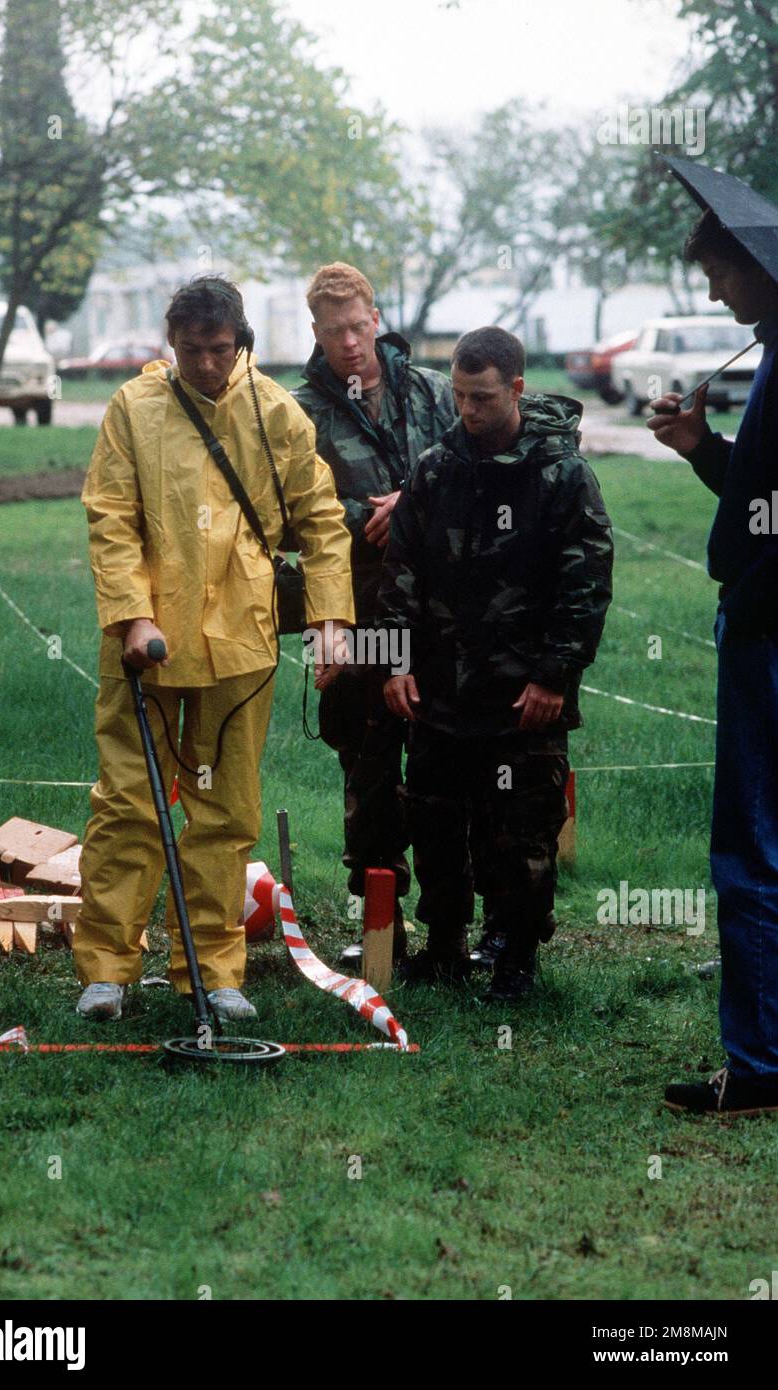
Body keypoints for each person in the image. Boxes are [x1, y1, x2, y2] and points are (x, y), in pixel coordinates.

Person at [74, 275, 354, 1022]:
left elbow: (323, 519)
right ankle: (107, 970)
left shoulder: (276, 414)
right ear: (171, 344)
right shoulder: (133, 408)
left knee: (226, 813)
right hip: (148, 645)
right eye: (191, 350)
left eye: (219, 349)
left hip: (243, 641)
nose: (205, 364)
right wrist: (131, 616)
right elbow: (111, 518)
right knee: (129, 804)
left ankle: (212, 969)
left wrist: (331, 620)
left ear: (243, 343)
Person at [377, 327, 613, 998]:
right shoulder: (435, 468)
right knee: (436, 823)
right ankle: (444, 944)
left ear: (516, 389)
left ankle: (515, 953)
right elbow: (402, 575)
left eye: (481, 398)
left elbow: (586, 584)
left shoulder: (562, 475)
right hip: (440, 690)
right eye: (457, 395)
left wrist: (552, 675)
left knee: (519, 832)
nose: (467, 411)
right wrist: (395, 663)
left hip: (523, 695)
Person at [647, 209, 778, 1115]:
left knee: (751, 841)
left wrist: (756, 598)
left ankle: (761, 1065)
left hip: (769, 632)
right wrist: (704, 450)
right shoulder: (769, 355)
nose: (711, 289)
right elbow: (765, 496)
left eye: (719, 272)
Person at [293, 262, 456, 965]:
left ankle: (455, 928)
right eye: (335, 332)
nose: (350, 343)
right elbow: (283, 516)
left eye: (359, 326)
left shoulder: (432, 392)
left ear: (377, 318)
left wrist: (414, 505)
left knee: (448, 764)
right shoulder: (299, 412)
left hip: (443, 613)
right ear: (317, 333)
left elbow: (485, 470)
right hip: (353, 612)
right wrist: (371, 513)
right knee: (367, 769)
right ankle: (381, 931)